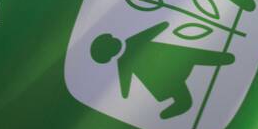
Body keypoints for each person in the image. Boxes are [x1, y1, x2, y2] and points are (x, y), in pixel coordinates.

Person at [90, 23, 235, 119]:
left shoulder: (130, 45)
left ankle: (222, 58)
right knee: (180, 82)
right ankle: (181, 104)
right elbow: (125, 82)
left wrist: (125, 92)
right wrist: (125, 92)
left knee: (194, 57)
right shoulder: (126, 54)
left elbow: (154, 30)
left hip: (167, 63)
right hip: (163, 72)